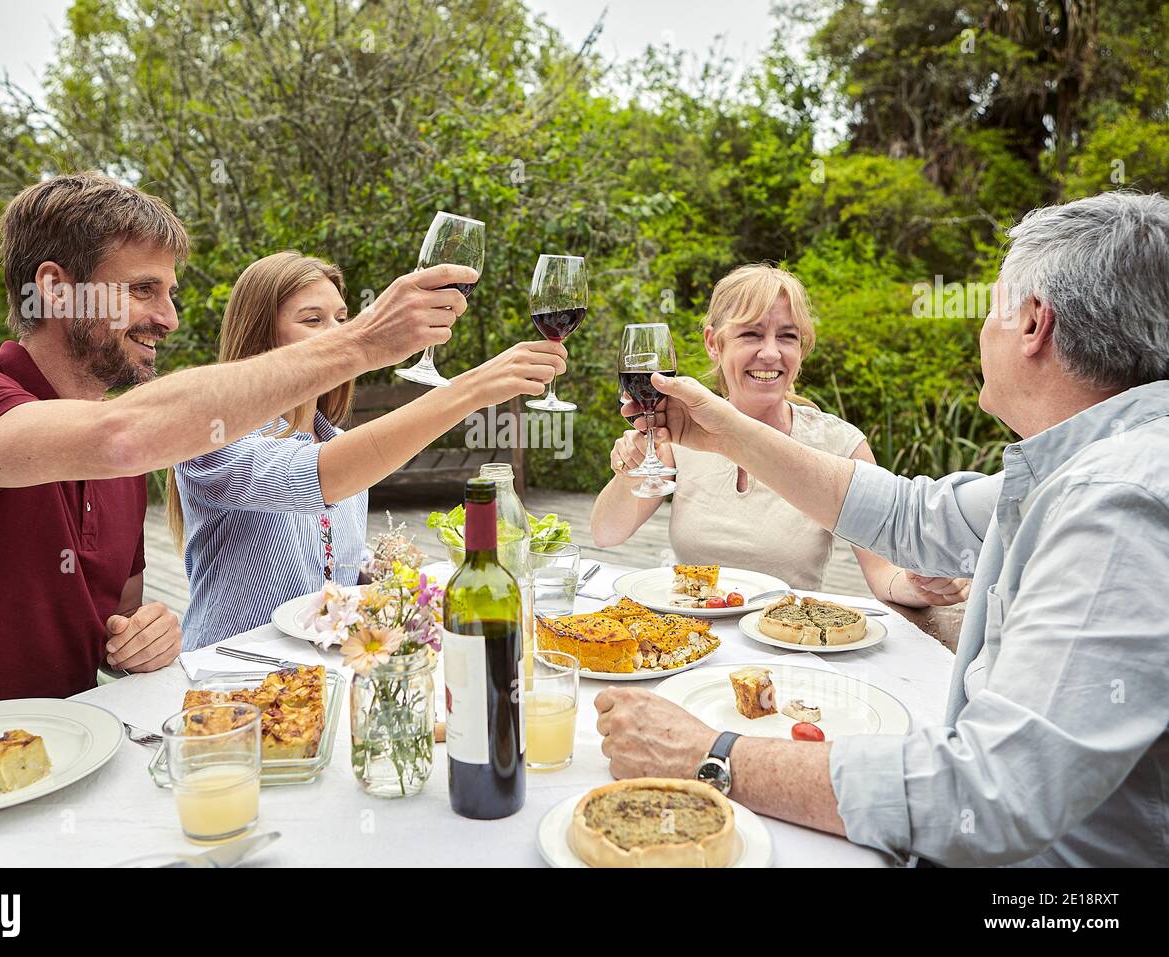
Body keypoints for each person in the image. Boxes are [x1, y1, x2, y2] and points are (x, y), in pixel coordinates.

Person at [595, 190, 1169, 867]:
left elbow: (990, 793)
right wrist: (726, 434)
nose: (979, 329)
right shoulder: (1082, 465)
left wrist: (713, 754)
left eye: (991, 307)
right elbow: (907, 515)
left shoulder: (1117, 501)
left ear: (1034, 324)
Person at [0, 171, 475, 729]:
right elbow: (121, 437)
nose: (169, 318)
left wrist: (144, 639)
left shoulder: (125, 465)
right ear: (55, 289)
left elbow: (119, 624)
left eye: (169, 293)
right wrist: (364, 342)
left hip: (69, 758)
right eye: (142, 289)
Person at [169, 252, 566, 648]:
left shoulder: (337, 440)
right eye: (312, 320)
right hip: (226, 679)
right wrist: (470, 390)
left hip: (326, 671)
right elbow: (317, 475)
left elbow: (330, 564)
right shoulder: (211, 437)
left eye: (342, 320)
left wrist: (375, 568)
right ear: (260, 337)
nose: (338, 334)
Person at [590, 263, 968, 608]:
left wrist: (920, 586)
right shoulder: (680, 435)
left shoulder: (841, 444)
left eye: (787, 337)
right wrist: (632, 468)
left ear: (801, 349)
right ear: (713, 343)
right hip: (692, 641)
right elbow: (607, 533)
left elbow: (885, 574)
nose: (770, 353)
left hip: (789, 648)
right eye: (751, 334)